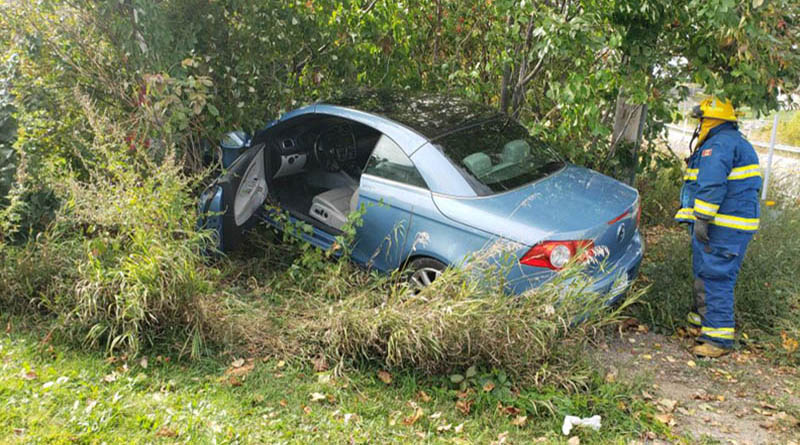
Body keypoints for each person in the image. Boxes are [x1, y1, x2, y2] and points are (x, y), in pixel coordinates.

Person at [674, 97, 762, 358]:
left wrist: (701, 218)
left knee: (716, 277)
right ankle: (701, 322)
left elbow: (712, 185)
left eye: (701, 120)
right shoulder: (728, 142)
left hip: (722, 227)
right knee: (706, 272)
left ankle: (718, 340)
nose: (698, 126)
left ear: (711, 120)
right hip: (725, 226)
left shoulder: (720, 145)